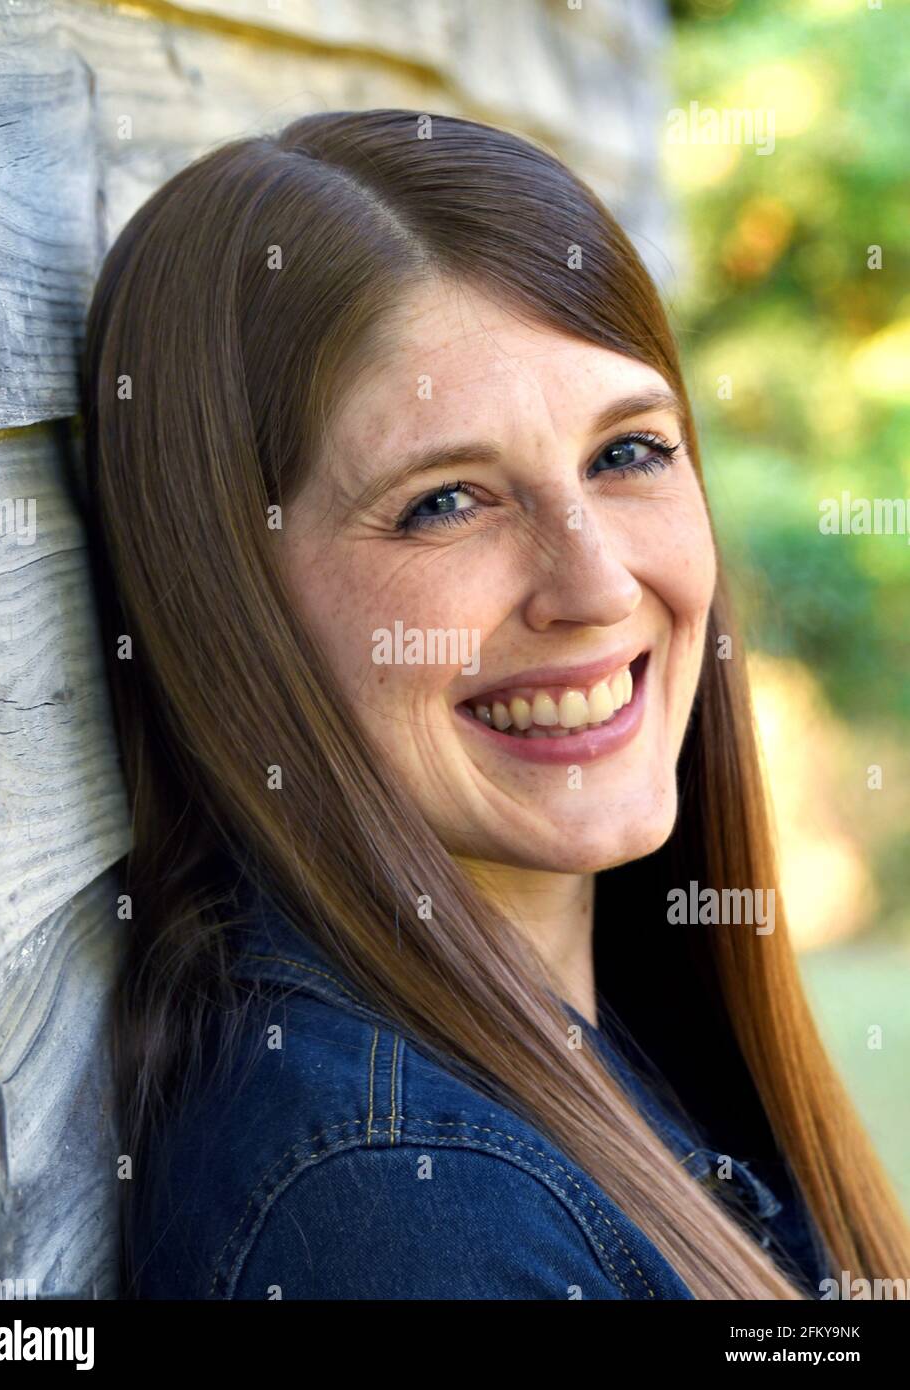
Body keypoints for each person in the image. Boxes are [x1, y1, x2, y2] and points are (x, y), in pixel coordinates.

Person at [79, 108, 910, 1300]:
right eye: (444, 501)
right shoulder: (396, 1217)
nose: (596, 585)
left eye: (627, 453)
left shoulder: (614, 1024)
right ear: (231, 604)